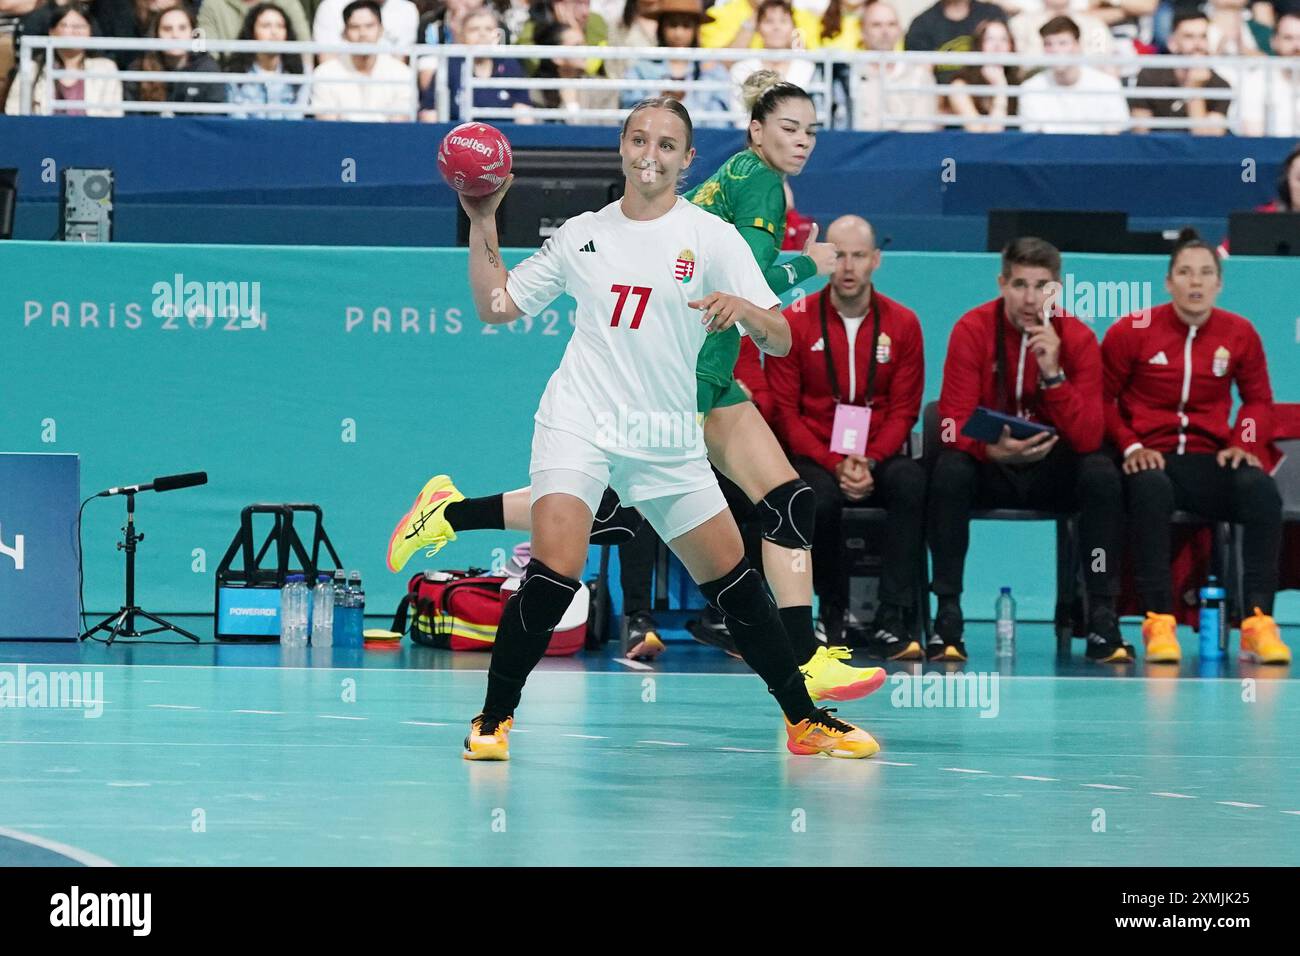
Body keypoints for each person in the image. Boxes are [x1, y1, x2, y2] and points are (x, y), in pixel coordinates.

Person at [392, 98, 880, 761]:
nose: (652, 154)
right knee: (557, 568)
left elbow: (780, 337)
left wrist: (744, 308)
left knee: (736, 585)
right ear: (622, 147)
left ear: (687, 159)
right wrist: (483, 221)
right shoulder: (582, 233)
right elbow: (497, 305)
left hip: (667, 436)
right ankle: (493, 719)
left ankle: (804, 720)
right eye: (640, 139)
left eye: (667, 144)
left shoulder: (712, 237)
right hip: (581, 422)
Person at [928, 237, 1131, 664]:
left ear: (1057, 289)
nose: (1030, 298)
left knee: (1101, 475)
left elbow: (1089, 436)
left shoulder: (1078, 337)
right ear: (1002, 283)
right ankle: (947, 615)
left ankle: (1101, 613)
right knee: (949, 471)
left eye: (1042, 287)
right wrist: (990, 451)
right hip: (990, 466)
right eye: (1020, 284)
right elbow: (949, 424)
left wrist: (1054, 375)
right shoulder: (971, 329)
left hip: (1052, 470)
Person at [1103, 232, 1291, 665]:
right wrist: (1131, 446)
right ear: (1168, 282)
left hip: (1209, 459)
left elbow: (1258, 401)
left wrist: (1244, 440)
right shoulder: (1132, 330)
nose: (1195, 282)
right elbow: (1101, 399)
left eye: (1206, 273)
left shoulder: (1239, 332)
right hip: (1150, 457)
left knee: (1261, 491)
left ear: (1218, 284)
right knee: (1150, 489)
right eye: (1185, 273)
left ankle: (1257, 622)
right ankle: (1158, 620)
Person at [766, 215, 927, 658]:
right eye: (838, 256)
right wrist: (834, 463)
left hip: (878, 453)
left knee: (912, 482)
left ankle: (893, 617)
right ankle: (830, 613)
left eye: (858, 256)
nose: (848, 267)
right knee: (816, 497)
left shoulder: (904, 323)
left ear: (876, 260)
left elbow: (904, 409)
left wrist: (870, 460)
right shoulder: (794, 321)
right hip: (816, 453)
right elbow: (786, 414)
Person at [621, 0, 732, 128]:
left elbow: (720, 122)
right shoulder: (641, 69)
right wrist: (659, 100)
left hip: (703, 138)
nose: (678, 33)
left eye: (686, 25)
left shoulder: (713, 70)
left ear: (695, 29)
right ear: (661, 28)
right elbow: (629, 116)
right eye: (672, 25)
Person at [417, 5, 531, 123]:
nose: (482, 34)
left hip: (502, 132)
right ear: (462, 36)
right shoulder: (449, 66)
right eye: (474, 29)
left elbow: (523, 109)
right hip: (458, 132)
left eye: (489, 29)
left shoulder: (509, 65)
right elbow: (430, 111)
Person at [4, 4, 123, 115]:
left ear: (90, 31)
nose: (74, 31)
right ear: (52, 32)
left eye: (80, 26)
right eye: (65, 26)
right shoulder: (31, 68)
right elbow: (14, 111)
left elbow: (114, 115)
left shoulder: (106, 69)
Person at [1016, 15, 1128, 133]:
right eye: (1048, 44)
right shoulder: (1030, 88)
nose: (1055, 50)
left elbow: (1113, 135)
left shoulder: (1107, 85)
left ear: (1077, 46)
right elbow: (1035, 138)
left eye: (1063, 43)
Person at [1131, 10, 1233, 135]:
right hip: (1157, 146)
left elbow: (1208, 140)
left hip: (1196, 148)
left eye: (1203, 36)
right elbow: (1140, 133)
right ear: (1172, 43)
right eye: (1189, 37)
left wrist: (1195, 89)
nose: (1198, 45)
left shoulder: (1220, 86)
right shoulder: (1150, 76)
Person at [310, 0, 416, 120]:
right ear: (344, 33)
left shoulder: (402, 74)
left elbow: (400, 123)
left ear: (381, 30)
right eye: (354, 27)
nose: (363, 33)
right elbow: (327, 124)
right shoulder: (324, 74)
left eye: (369, 26)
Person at [851, 0, 940, 131]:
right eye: (876, 25)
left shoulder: (919, 75)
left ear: (900, 30)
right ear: (862, 32)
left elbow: (923, 128)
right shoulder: (850, 76)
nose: (885, 31)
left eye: (891, 24)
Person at [125, 4, 226, 113]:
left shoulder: (208, 70)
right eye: (167, 29)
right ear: (157, 35)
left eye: (182, 28)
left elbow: (213, 119)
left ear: (193, 35)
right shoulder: (139, 70)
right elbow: (131, 117)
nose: (175, 35)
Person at [729, 0, 818, 119]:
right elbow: (739, 115)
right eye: (769, 21)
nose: (776, 27)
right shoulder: (742, 68)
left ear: (793, 27)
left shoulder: (807, 68)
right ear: (758, 27)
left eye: (783, 21)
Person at [224, 3, 309, 118]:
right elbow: (237, 120)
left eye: (280, 26)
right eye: (266, 26)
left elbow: (296, 120)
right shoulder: (235, 73)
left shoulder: (300, 73)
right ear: (252, 32)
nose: (274, 32)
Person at [530, 18, 620, 120]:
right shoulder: (537, 92)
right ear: (556, 57)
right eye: (577, 45)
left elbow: (609, 128)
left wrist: (571, 106)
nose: (585, 50)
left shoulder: (604, 89)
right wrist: (568, 105)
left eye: (584, 44)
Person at [903, 0, 1008, 84]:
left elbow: (1007, 66)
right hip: (940, 99)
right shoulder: (921, 25)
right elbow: (920, 79)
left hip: (987, 95)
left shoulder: (992, 14)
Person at [945, 17, 1018, 132]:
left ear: (1011, 47)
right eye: (990, 39)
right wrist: (1001, 88)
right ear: (978, 45)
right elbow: (984, 135)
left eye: (1004, 39)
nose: (997, 45)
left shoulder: (1017, 82)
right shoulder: (960, 85)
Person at [1240, 12, 1300, 137]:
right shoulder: (1256, 81)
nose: (1297, 46)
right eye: (1288, 38)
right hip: (1271, 148)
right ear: (1274, 41)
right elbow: (1253, 136)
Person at [199, 0, 312, 43]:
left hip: (283, 78)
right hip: (228, 79)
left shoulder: (288, 2)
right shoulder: (212, 4)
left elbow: (304, 47)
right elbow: (207, 53)